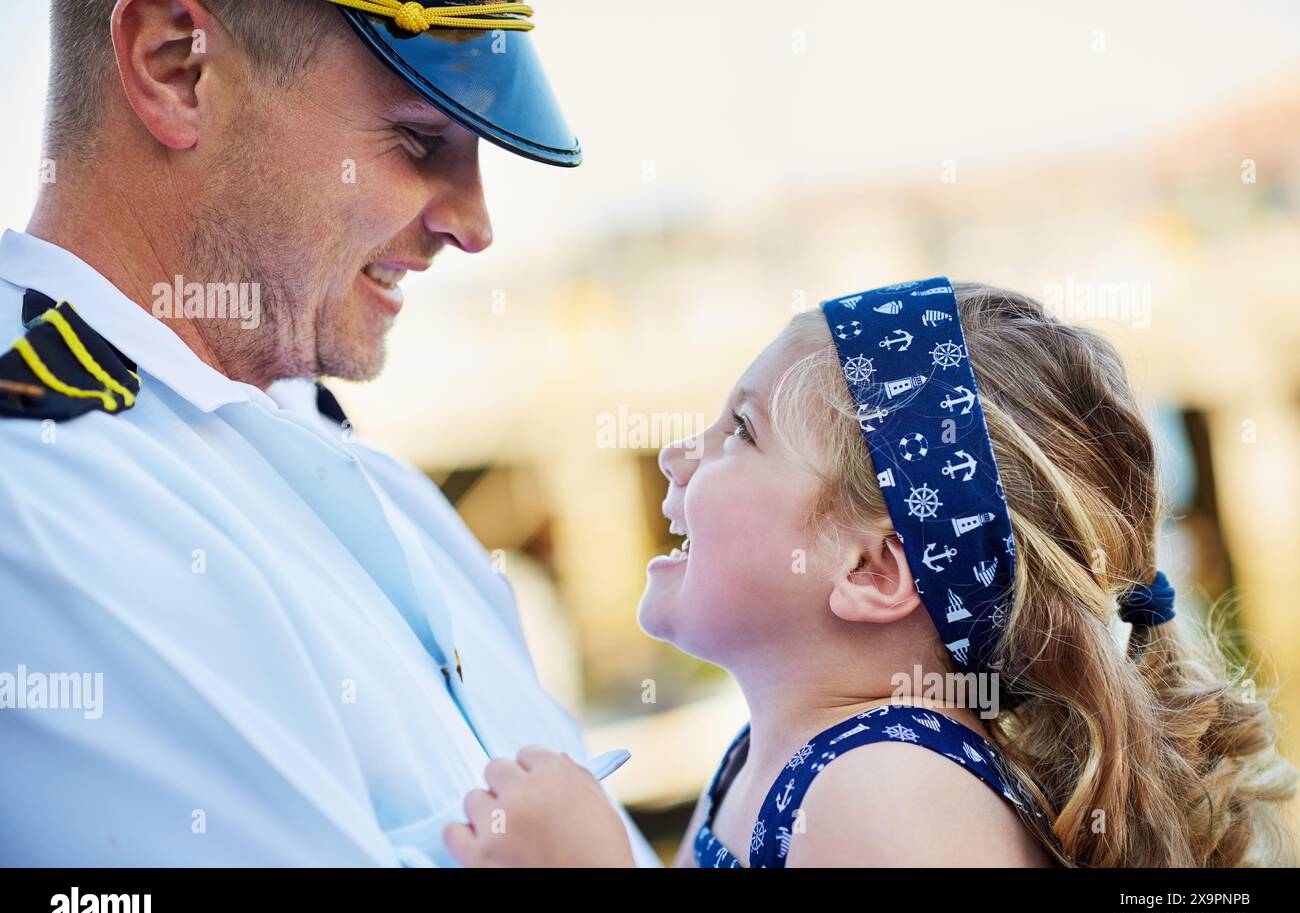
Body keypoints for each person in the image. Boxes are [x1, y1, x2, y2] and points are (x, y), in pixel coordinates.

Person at [0, 0, 659, 866]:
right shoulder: (39, 503)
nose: (475, 224)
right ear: (176, 67)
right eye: (421, 141)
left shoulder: (395, 499)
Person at [444, 280, 1299, 868]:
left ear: (873, 567)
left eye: (740, 430)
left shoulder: (888, 790)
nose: (674, 455)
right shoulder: (773, 759)